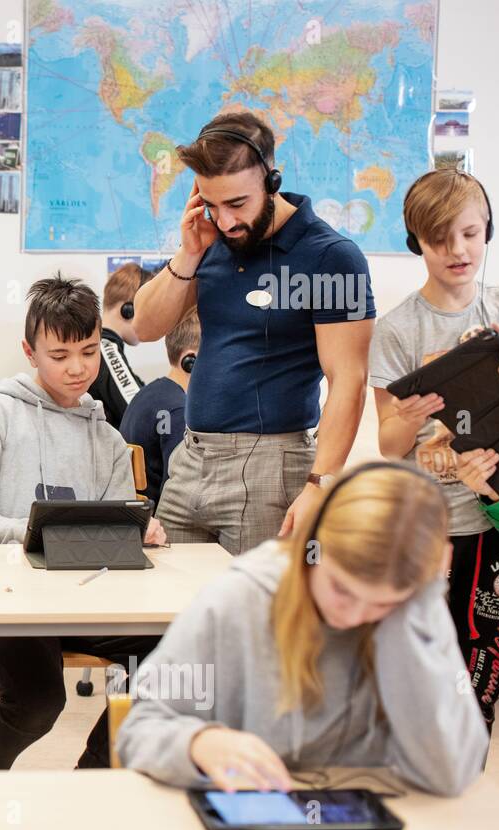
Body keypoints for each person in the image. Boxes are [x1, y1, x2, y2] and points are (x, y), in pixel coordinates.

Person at [117, 463, 489, 797]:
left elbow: (453, 772)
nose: (355, 615)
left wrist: (411, 614)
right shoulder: (238, 600)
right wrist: (198, 742)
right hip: (248, 819)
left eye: (381, 604)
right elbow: (140, 730)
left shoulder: (416, 610)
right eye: (342, 589)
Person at [0, 273, 166, 770]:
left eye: (88, 351)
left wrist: (137, 530)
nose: (78, 368)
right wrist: (34, 533)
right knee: (40, 700)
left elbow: (116, 525)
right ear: (30, 350)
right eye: (59, 356)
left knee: (178, 656)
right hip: (5, 604)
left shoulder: (105, 437)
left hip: (86, 602)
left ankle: (89, 778)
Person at [131, 111, 375, 553]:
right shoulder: (211, 242)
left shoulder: (332, 257)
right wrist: (189, 254)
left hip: (270, 468)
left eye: (237, 204)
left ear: (271, 178)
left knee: (257, 618)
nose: (225, 222)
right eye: (211, 204)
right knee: (171, 614)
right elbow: (145, 326)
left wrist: (320, 483)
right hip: (190, 459)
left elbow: (350, 380)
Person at [369, 168, 499, 731]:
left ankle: (465, 781)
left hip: (497, 521)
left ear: (488, 232)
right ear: (416, 244)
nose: (458, 250)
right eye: (439, 239)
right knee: (421, 669)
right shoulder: (399, 328)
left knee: (479, 674)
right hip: (429, 525)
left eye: (471, 234)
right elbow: (387, 444)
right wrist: (406, 418)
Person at [120, 306, 199, 505]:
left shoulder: (149, 393)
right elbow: (178, 488)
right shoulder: (178, 410)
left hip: (139, 512)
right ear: (190, 360)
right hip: (158, 520)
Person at [90, 262, 152, 430]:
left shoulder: (103, 345)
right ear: (128, 310)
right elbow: (138, 412)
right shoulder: (105, 348)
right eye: (150, 313)